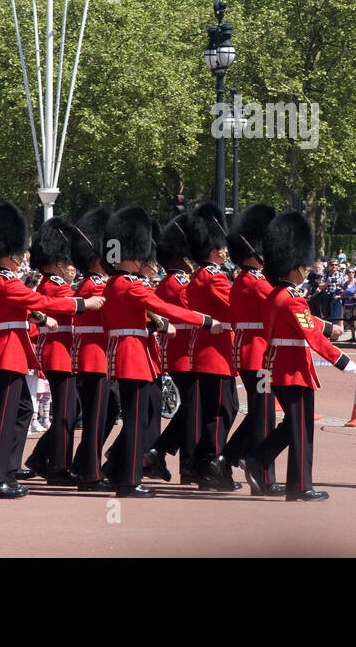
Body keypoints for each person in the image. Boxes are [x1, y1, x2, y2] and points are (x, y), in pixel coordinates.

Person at [103, 206, 222, 498]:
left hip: (126, 354)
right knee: (138, 419)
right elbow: (168, 309)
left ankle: (123, 473)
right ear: (131, 255)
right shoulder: (131, 286)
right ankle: (129, 480)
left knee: (140, 417)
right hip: (134, 358)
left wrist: (154, 325)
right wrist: (205, 320)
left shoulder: (113, 285)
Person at [242, 210, 354, 501]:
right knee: (302, 428)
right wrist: (340, 359)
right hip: (293, 369)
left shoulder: (274, 296)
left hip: (277, 367)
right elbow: (312, 336)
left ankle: (258, 459)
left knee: (292, 425)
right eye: (302, 265)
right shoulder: (293, 299)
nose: (306, 269)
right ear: (292, 266)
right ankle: (300, 486)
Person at [0, 201, 83, 500]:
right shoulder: (2, 281)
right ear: (9, 254)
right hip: (5, 352)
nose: (23, 257)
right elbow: (43, 303)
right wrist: (81, 304)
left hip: (10, 350)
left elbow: (30, 307)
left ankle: (7, 469)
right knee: (3, 416)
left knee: (22, 409)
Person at [25, 217, 101, 485]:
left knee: (68, 411)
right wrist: (85, 303)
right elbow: (60, 305)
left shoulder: (57, 284)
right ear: (58, 263)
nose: (72, 268)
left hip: (63, 353)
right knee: (66, 413)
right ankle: (58, 468)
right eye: (69, 263)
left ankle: (43, 457)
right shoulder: (53, 286)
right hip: (59, 353)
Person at [219, 203, 283, 491]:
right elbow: (284, 307)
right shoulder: (258, 284)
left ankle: (225, 458)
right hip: (260, 358)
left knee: (260, 412)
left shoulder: (241, 281)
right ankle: (262, 475)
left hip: (247, 353)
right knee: (265, 416)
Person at [186, 202, 238, 490]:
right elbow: (234, 308)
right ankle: (205, 466)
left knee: (221, 410)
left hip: (210, 351)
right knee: (221, 412)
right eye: (223, 247)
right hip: (215, 352)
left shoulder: (201, 275)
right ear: (214, 249)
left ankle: (199, 463)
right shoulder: (213, 276)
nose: (227, 252)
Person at [68, 207, 116, 491]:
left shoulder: (98, 283)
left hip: (100, 357)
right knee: (96, 418)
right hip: (94, 358)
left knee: (107, 413)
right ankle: (89, 474)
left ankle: (84, 463)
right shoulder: (93, 286)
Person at [149, 213, 200, 482]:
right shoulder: (179, 284)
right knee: (193, 408)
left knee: (191, 407)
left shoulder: (166, 282)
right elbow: (194, 311)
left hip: (177, 351)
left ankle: (161, 453)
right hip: (185, 353)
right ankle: (186, 463)